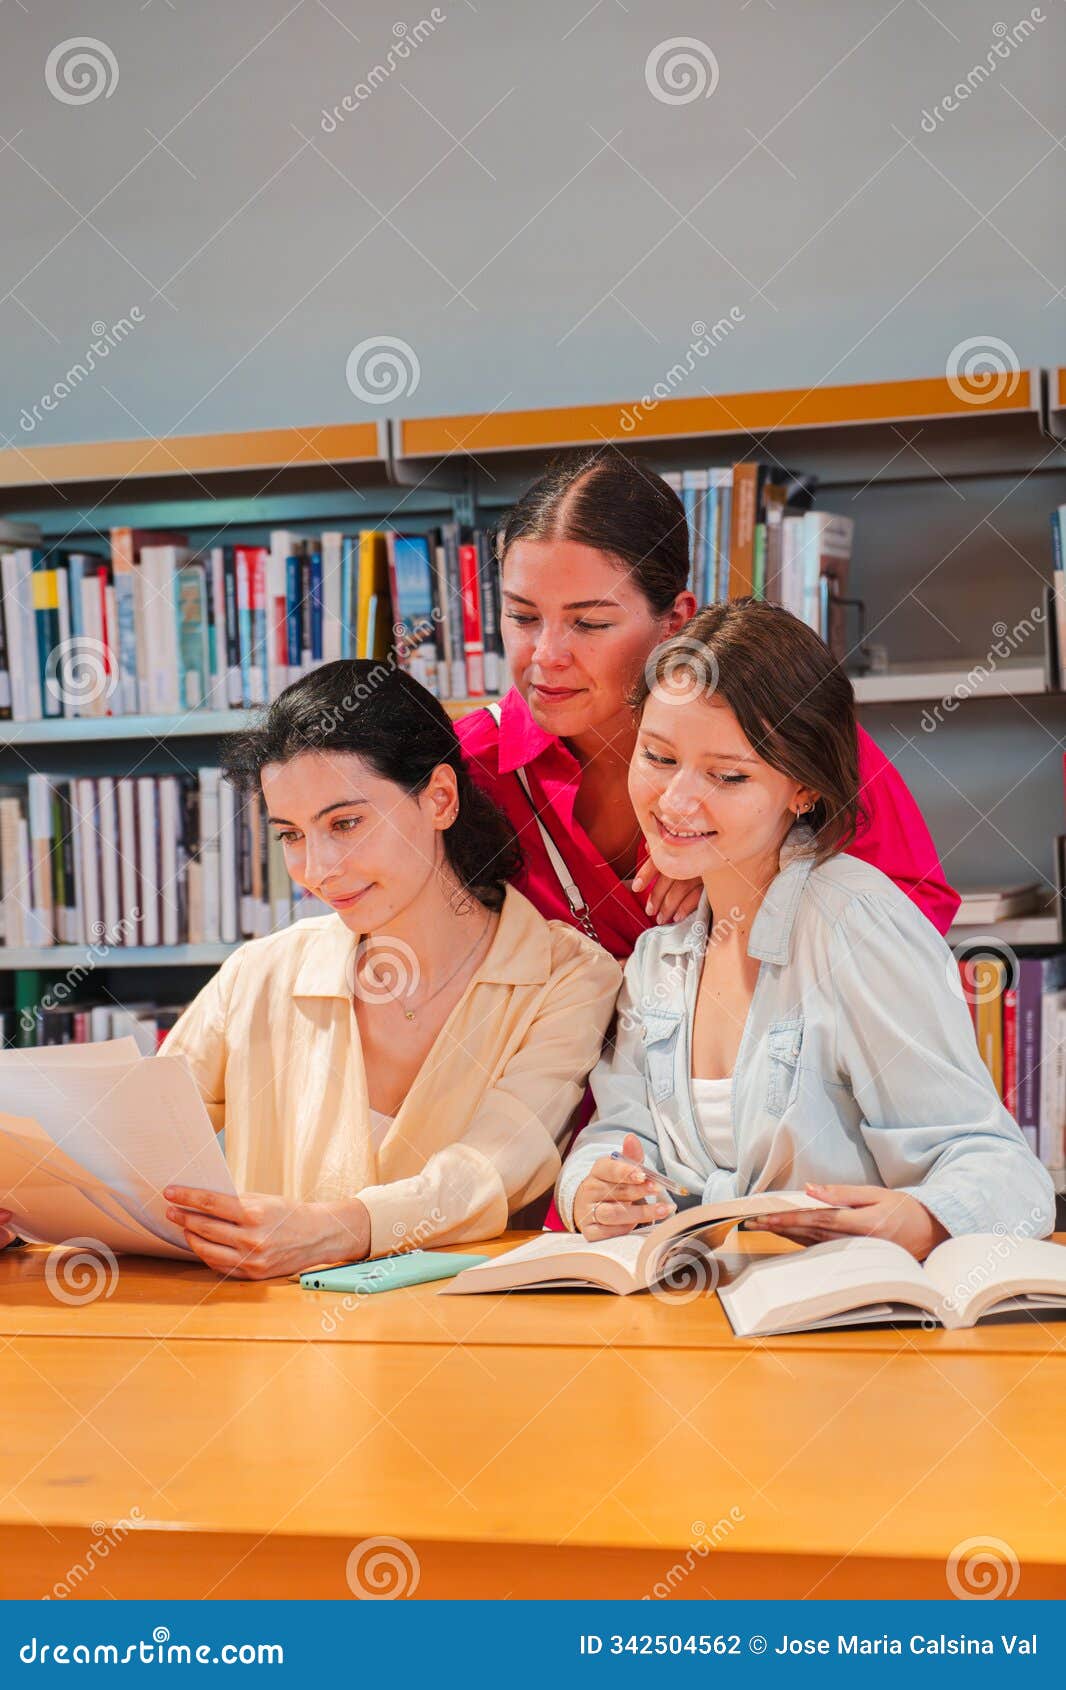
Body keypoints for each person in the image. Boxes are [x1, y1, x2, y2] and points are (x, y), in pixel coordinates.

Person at [555, 599, 1054, 1259]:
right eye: (658, 756)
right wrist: (594, 1188)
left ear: (802, 790)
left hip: (853, 1332)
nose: (675, 800)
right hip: (697, 1327)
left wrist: (918, 1220)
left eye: (726, 776)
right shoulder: (659, 959)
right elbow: (615, 1134)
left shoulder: (857, 925)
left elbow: (1004, 1174)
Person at [158, 662, 621, 1279]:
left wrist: (334, 1231)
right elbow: (131, 1141)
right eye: (290, 836)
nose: (317, 870)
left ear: (440, 798)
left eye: (345, 824)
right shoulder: (260, 972)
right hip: (266, 1349)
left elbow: (495, 1169)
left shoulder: (567, 976)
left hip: (464, 1351)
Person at [457, 450, 960, 962]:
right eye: (522, 617)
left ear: (675, 619)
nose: (545, 656)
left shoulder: (781, 721)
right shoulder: (461, 765)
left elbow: (915, 919)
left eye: (589, 624)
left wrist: (752, 884)